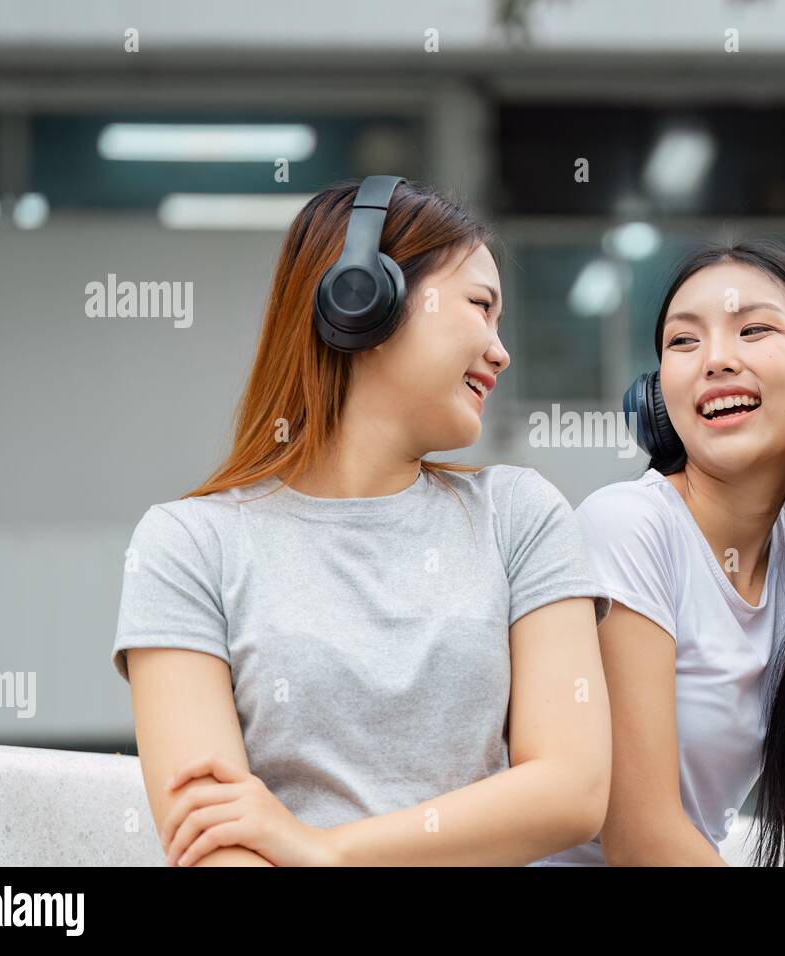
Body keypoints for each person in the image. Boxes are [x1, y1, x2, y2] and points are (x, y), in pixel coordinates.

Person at [111, 177, 612, 867]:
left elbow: (572, 791)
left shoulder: (521, 516)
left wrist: (329, 851)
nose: (501, 352)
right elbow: (211, 838)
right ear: (363, 297)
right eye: (480, 307)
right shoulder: (187, 545)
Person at [533, 237, 785, 866]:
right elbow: (640, 836)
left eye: (753, 329)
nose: (716, 360)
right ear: (655, 397)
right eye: (683, 342)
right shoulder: (628, 527)